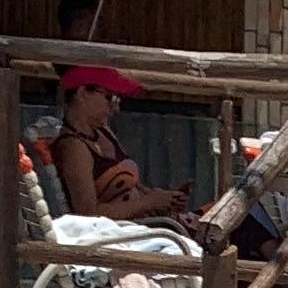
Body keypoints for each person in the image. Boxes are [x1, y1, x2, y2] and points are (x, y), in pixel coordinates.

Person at [53, 72, 188, 227]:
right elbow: (87, 214)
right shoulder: (73, 147)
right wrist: (148, 203)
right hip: (120, 235)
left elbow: (131, 186)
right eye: (110, 98)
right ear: (83, 93)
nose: (115, 108)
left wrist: (163, 199)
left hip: (140, 224)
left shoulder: (102, 132)